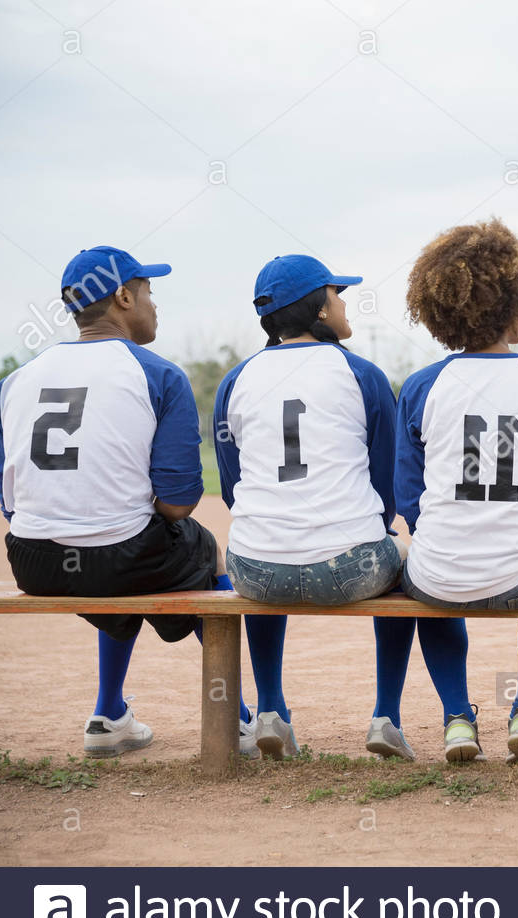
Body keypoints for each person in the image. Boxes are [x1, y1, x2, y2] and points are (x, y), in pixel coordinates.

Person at [0, 245, 253, 756]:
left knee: (118, 544)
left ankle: (109, 715)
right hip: (121, 558)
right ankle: (240, 719)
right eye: (150, 292)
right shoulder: (158, 373)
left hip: (31, 561)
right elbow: (179, 501)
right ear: (124, 296)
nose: (155, 304)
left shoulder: (15, 379)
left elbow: (8, 495)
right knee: (194, 546)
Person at [391, 218, 518, 764]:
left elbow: (409, 495)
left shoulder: (423, 386)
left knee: (427, 582)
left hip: (440, 575)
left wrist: (451, 534)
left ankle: (457, 719)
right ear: (514, 313)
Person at [213, 254, 418, 761]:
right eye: (337, 293)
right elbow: (386, 486)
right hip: (351, 567)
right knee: (411, 561)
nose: (344, 302)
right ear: (319, 311)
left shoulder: (234, 381)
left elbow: (234, 490)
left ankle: (270, 711)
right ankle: (386, 717)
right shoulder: (363, 375)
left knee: (263, 537)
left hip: (255, 570)